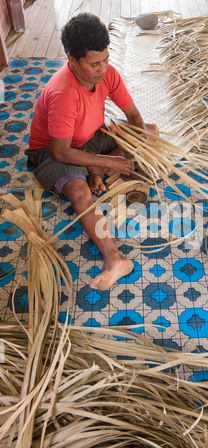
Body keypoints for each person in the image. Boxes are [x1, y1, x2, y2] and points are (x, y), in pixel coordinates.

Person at [25, 13, 157, 291]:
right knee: (80, 192)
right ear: (72, 60)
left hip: (91, 137)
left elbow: (134, 116)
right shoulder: (63, 93)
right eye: (94, 63)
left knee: (151, 130)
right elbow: (62, 153)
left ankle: (96, 170)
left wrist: (140, 139)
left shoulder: (108, 73)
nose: (102, 69)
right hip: (53, 150)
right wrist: (114, 159)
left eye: (106, 59)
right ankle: (115, 258)